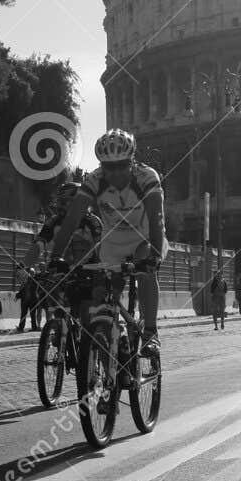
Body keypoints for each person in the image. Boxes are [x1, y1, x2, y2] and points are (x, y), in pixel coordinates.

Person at [48, 129, 167, 347]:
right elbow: (71, 221)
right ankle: (106, 354)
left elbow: (156, 220)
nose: (116, 172)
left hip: (145, 238)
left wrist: (155, 256)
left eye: (122, 165)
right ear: (101, 166)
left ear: (132, 161)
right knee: (102, 301)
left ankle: (150, 332)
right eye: (109, 167)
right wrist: (55, 257)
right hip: (113, 244)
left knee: (146, 267)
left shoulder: (147, 177)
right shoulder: (95, 180)